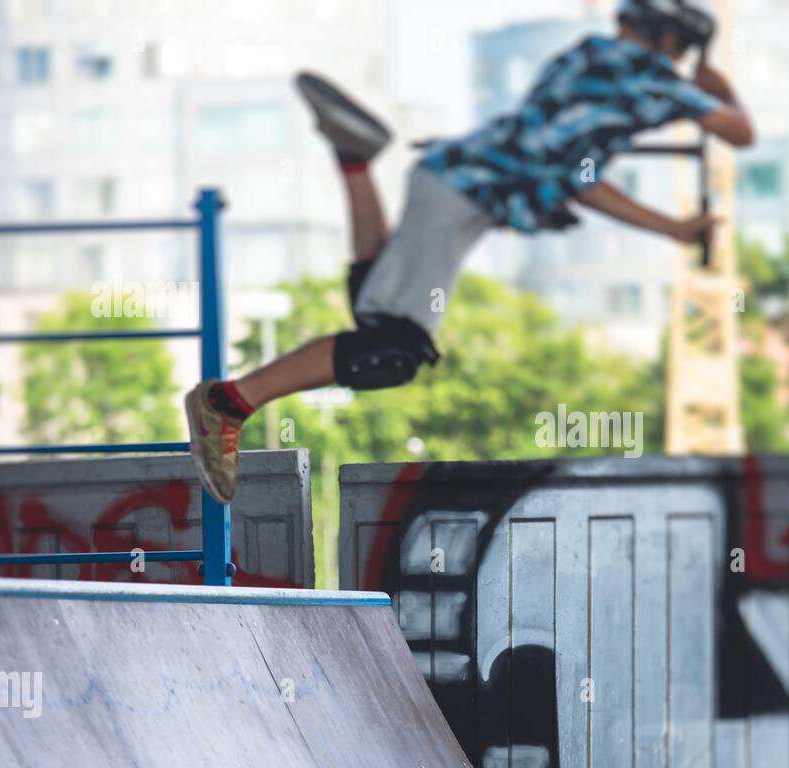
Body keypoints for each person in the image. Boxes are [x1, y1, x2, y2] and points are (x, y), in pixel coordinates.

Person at [184, 0, 755, 504]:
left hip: (450, 180)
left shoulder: (584, 57)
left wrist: (673, 228)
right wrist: (718, 87)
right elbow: (738, 131)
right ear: (672, 39)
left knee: (378, 316)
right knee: (391, 349)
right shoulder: (649, 77)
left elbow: (579, 176)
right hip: (461, 196)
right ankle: (231, 402)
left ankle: (355, 160)